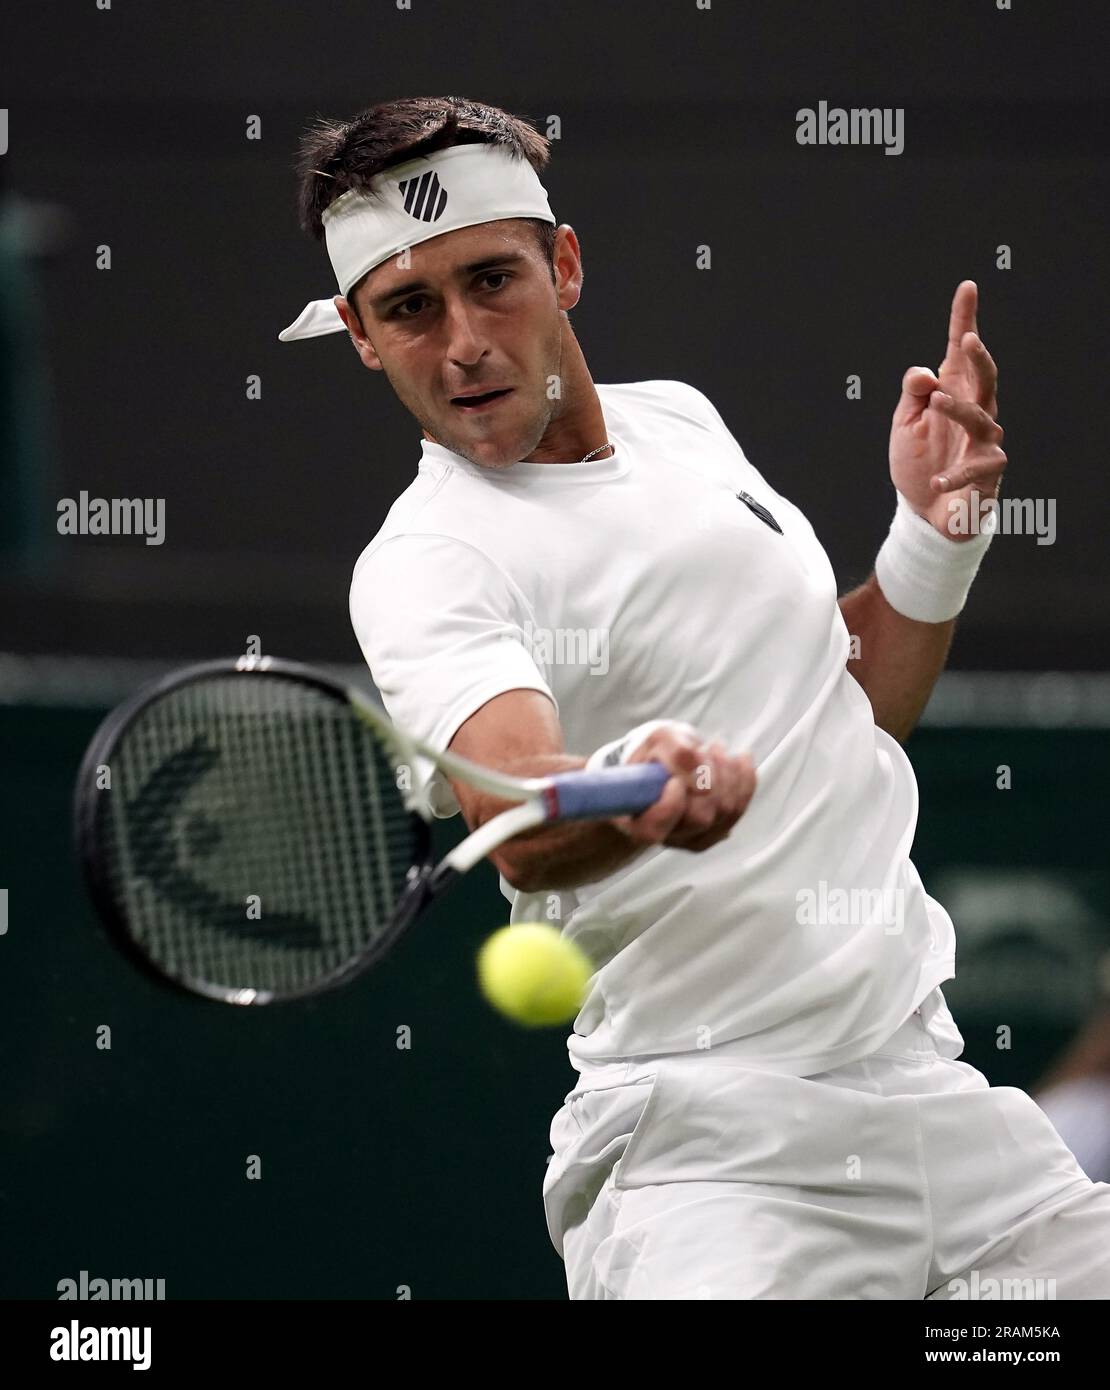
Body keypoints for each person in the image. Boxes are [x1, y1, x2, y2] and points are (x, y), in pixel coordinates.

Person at [280, 95, 1110, 1299]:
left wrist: (935, 535)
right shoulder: (429, 561)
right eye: (411, 308)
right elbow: (522, 815)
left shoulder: (682, 423)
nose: (463, 339)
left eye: (492, 281)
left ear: (563, 266)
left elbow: (844, 713)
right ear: (362, 334)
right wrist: (643, 799)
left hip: (945, 1114)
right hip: (717, 1170)